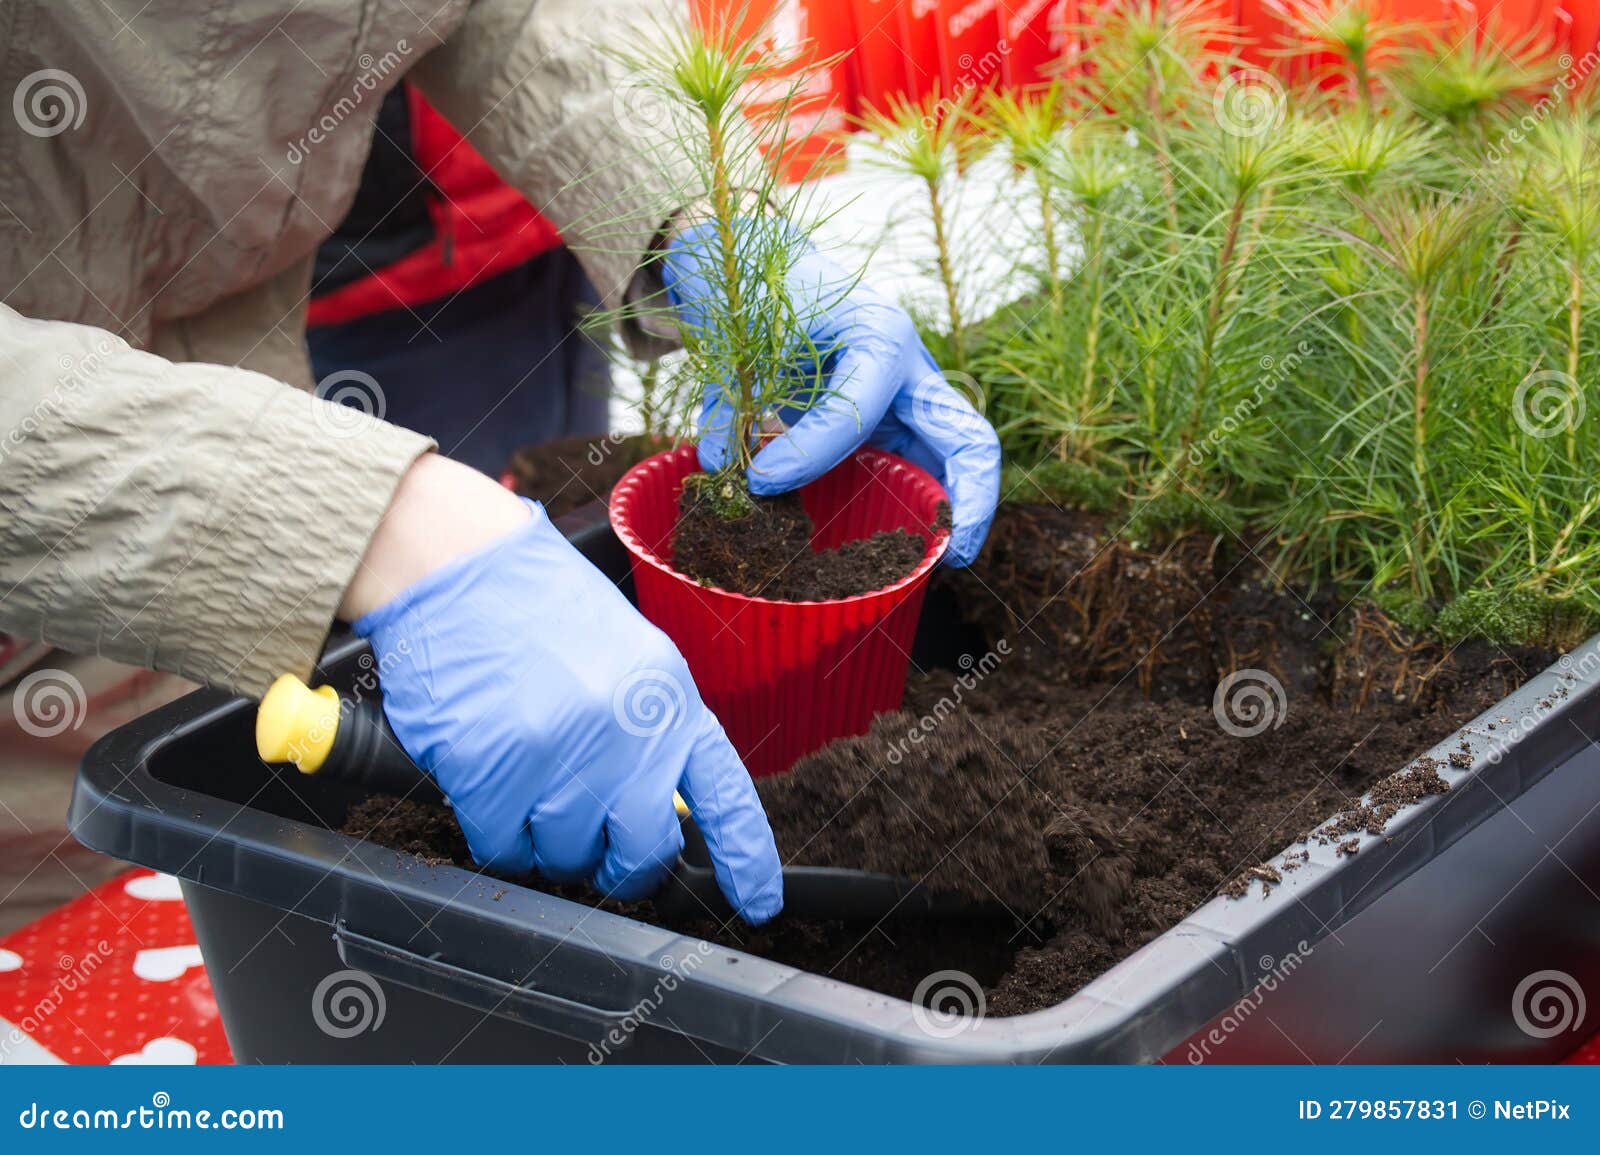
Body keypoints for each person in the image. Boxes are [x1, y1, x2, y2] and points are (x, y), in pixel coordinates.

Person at [0, 1, 1001, 929]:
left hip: (191, 458)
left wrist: (710, 226)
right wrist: (378, 522)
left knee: (177, 896)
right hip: (56, 509)